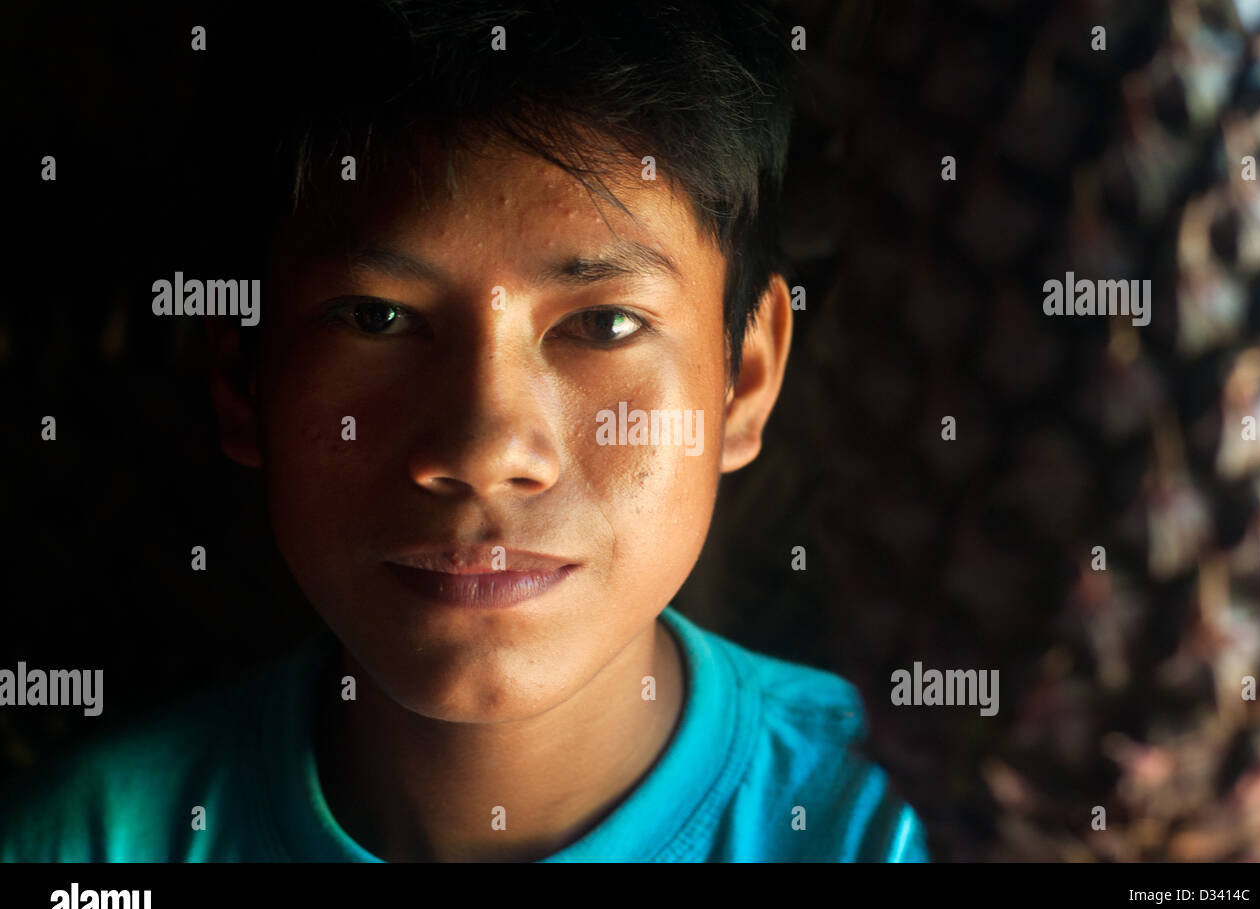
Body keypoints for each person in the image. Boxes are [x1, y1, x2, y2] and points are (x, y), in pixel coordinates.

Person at [0, 0, 927, 862]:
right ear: (245, 371)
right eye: (376, 317)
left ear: (746, 377)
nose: (485, 451)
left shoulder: (913, 825)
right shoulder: (86, 848)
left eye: (601, 324)